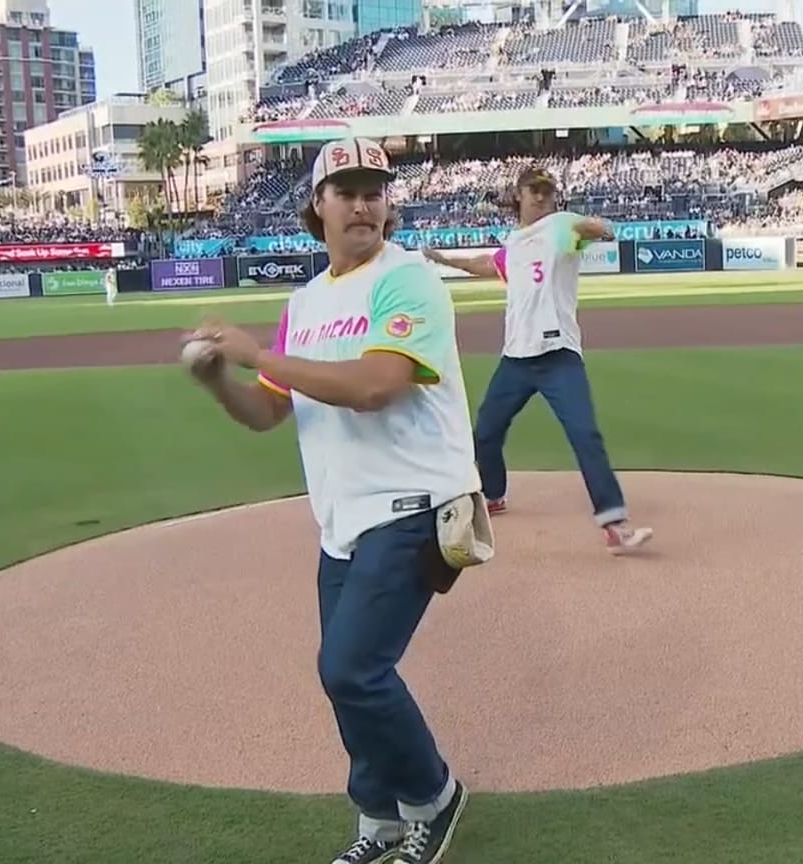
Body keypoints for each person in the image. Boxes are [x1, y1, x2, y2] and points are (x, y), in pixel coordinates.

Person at [180, 137, 474, 864]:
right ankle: (377, 819)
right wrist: (221, 381)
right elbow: (267, 411)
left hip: (413, 506)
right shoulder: (305, 301)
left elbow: (376, 388)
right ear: (319, 206)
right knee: (345, 679)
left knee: (350, 669)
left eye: (375, 189)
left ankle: (433, 797)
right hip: (342, 523)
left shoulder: (408, 281)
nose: (364, 202)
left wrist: (258, 355)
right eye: (346, 190)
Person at [423, 165, 654, 554]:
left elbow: (588, 228)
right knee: (486, 432)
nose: (543, 197)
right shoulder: (515, 244)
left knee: (585, 434)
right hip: (516, 358)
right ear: (519, 195)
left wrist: (602, 228)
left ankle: (614, 523)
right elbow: (486, 264)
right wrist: (446, 260)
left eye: (548, 191)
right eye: (535, 191)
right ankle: (494, 494)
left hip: (558, 356)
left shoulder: (561, 226)